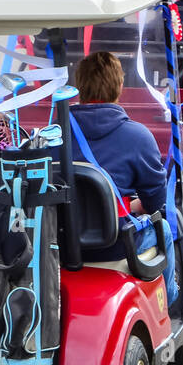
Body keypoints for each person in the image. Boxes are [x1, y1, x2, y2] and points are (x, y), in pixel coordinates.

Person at [72, 51, 168, 256]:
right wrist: (131, 206)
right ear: (120, 87)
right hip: (116, 246)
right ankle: (173, 289)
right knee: (166, 230)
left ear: (79, 86)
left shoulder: (55, 135)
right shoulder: (138, 136)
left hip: (64, 245)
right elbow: (155, 201)